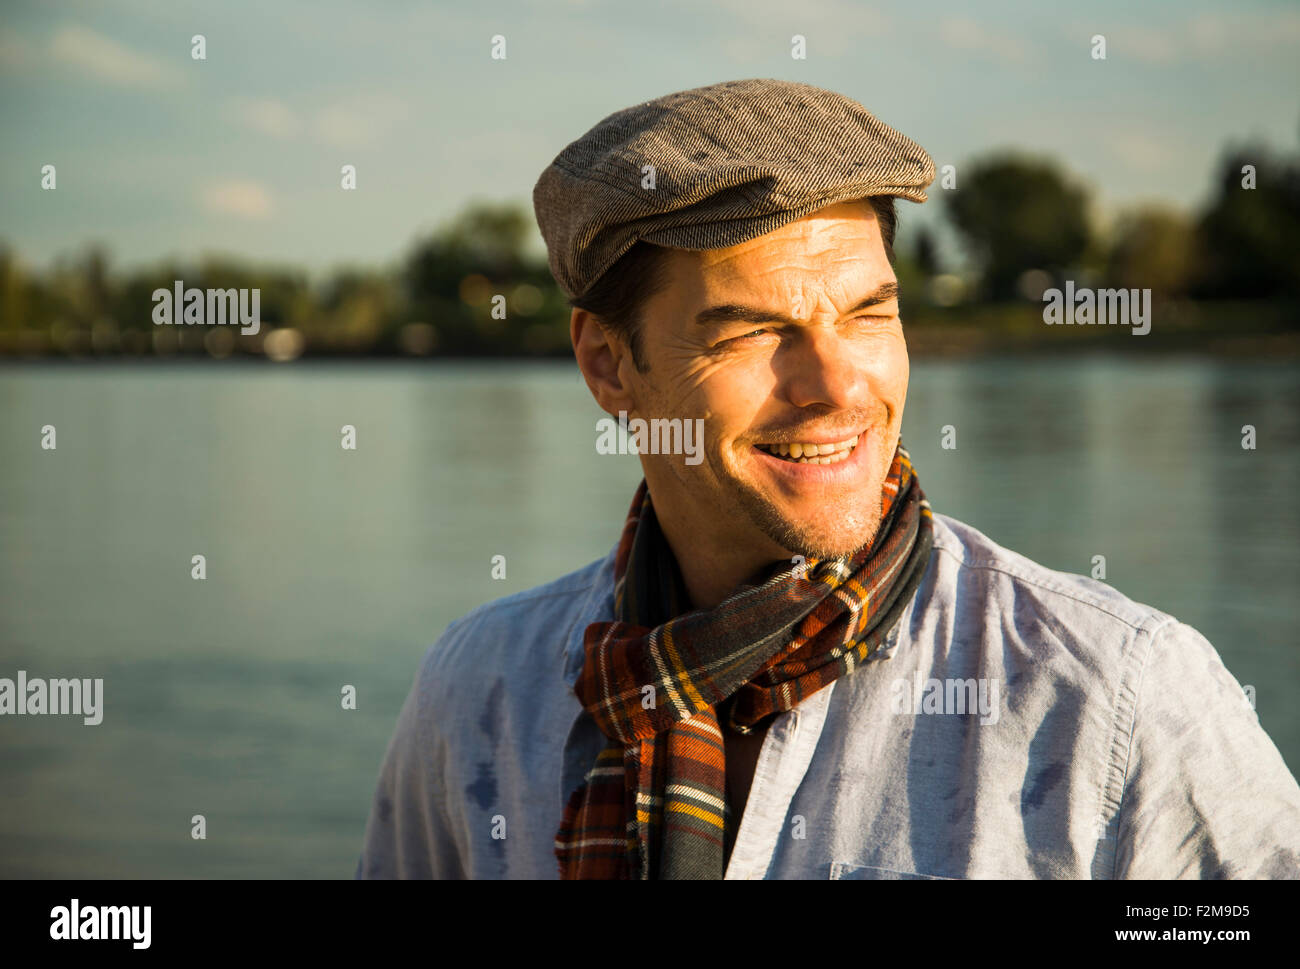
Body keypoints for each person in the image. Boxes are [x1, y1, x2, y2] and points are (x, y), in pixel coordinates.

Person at [356, 78, 1300, 879]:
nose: (838, 385)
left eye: (868, 314)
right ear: (609, 365)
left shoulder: (1116, 701)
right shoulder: (479, 691)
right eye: (753, 330)